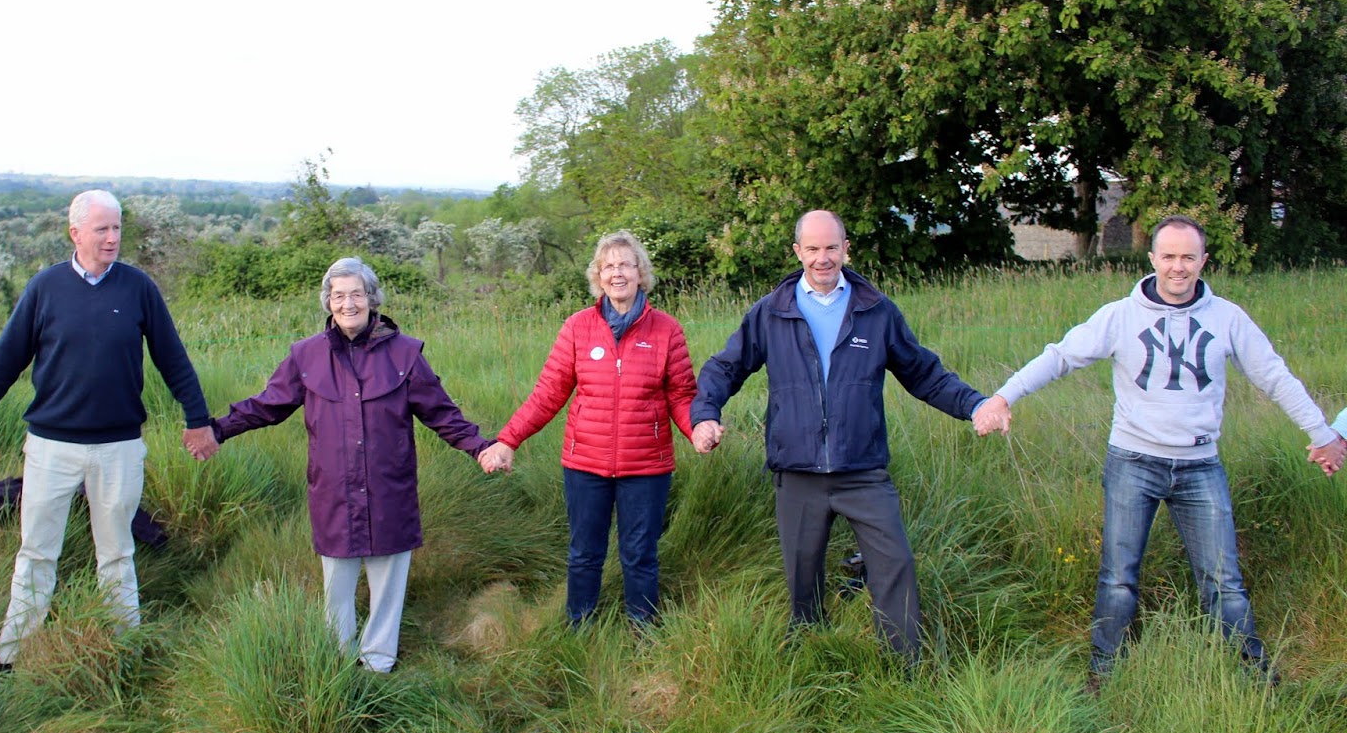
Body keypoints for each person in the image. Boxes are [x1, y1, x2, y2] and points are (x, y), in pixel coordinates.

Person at [974, 215, 1346, 682]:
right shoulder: (1120, 317)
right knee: (1118, 577)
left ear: (1203, 261)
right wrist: (1004, 396)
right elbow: (1061, 355)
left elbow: (1275, 376)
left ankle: (1253, 675)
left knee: (1224, 583)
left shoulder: (1228, 318)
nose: (1178, 267)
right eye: (1168, 256)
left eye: (1188, 257)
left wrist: (1322, 433)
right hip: (1132, 462)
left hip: (1200, 466)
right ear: (1151, 259)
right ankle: (1103, 673)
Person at [690, 209, 996, 661]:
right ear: (797, 253)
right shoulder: (772, 313)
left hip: (862, 471)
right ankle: (811, 658)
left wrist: (975, 405)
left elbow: (925, 374)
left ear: (846, 249)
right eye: (812, 249)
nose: (822, 258)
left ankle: (904, 666)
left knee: (895, 564)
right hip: (797, 472)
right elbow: (725, 367)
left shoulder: (875, 312)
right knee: (803, 580)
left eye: (831, 247)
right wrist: (704, 414)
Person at [0, 190, 217, 674]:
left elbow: (173, 358)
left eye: (117, 229)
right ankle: (13, 656)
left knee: (117, 553)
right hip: (51, 446)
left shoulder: (138, 288)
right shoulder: (45, 288)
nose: (112, 238)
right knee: (36, 552)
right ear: (75, 233)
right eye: (101, 229)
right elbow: (5, 360)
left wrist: (198, 421)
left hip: (119, 447)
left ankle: (123, 647)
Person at [209, 257, 491, 672]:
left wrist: (480, 447)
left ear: (371, 298)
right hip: (333, 493)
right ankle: (337, 661)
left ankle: (378, 662)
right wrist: (216, 430)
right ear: (328, 302)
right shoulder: (306, 356)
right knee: (336, 585)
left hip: (387, 490)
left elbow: (441, 414)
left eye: (356, 294)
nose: (348, 304)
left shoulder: (405, 354)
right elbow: (267, 405)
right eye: (338, 296)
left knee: (388, 582)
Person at [478, 231, 697, 628]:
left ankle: (643, 630)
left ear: (640, 273)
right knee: (584, 552)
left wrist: (697, 429)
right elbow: (548, 393)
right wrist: (508, 440)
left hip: (646, 466)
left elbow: (682, 395)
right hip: (585, 464)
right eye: (608, 266)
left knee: (640, 553)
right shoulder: (578, 327)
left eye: (626, 265)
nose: (618, 273)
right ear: (598, 276)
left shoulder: (667, 330)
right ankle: (580, 627)